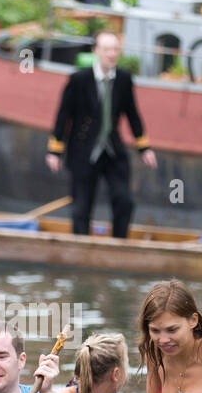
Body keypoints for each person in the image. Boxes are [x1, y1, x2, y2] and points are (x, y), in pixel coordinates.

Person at [46, 31, 157, 240]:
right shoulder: (79, 79)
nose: (111, 54)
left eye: (115, 49)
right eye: (106, 49)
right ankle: (80, 248)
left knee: (124, 200)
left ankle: (118, 245)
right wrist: (54, 151)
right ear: (96, 51)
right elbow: (63, 115)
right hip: (82, 149)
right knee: (81, 206)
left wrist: (145, 148)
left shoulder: (124, 79)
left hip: (113, 149)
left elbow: (132, 114)